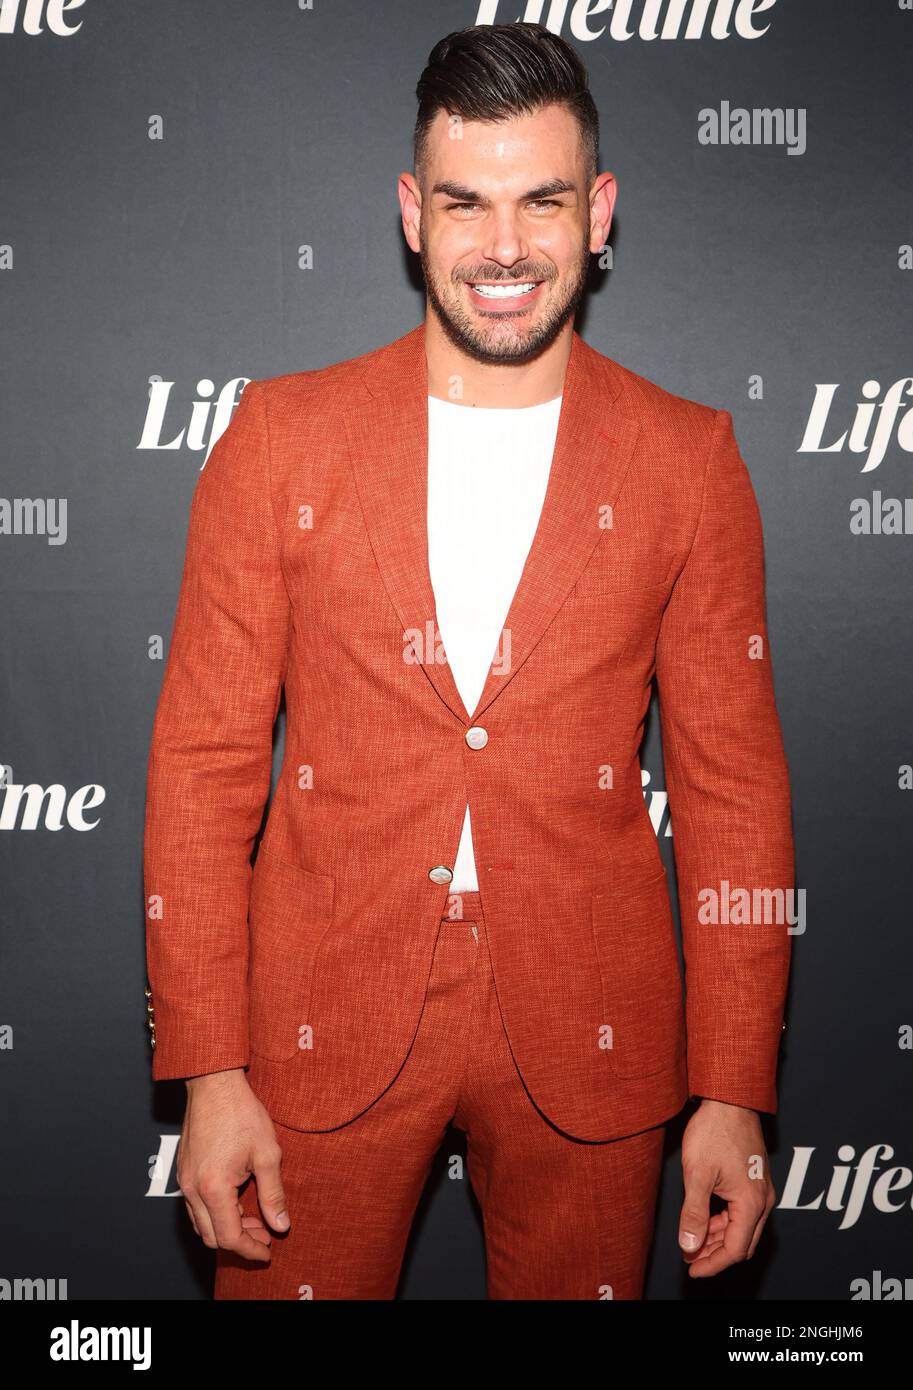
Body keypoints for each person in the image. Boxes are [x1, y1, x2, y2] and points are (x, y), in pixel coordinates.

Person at [143, 22, 794, 1300]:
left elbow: (734, 792)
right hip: (319, 1010)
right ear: (411, 214)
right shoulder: (278, 441)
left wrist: (731, 1088)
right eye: (466, 203)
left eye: (541, 202)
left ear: (598, 211)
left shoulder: (688, 461)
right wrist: (209, 1075)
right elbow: (204, 768)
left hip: (594, 1023)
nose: (503, 247)